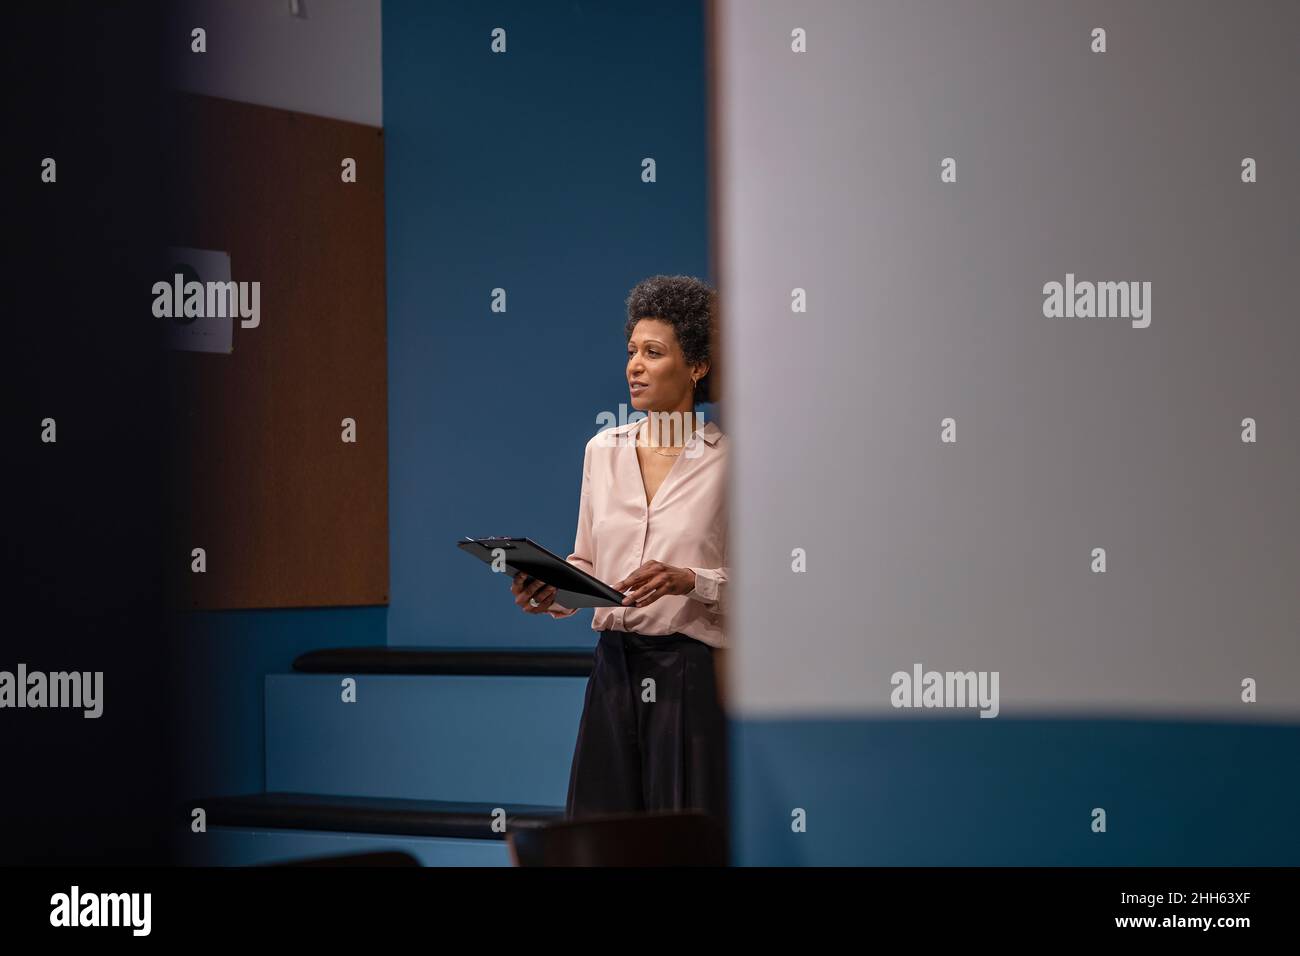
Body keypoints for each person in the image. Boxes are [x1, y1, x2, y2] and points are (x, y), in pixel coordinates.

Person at [509, 274, 729, 830]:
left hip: (689, 673)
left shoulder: (731, 462)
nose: (634, 365)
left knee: (678, 839)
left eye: (653, 353)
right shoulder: (601, 451)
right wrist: (551, 592)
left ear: (696, 366)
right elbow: (587, 564)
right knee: (602, 834)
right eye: (631, 351)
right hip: (611, 669)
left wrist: (690, 580)